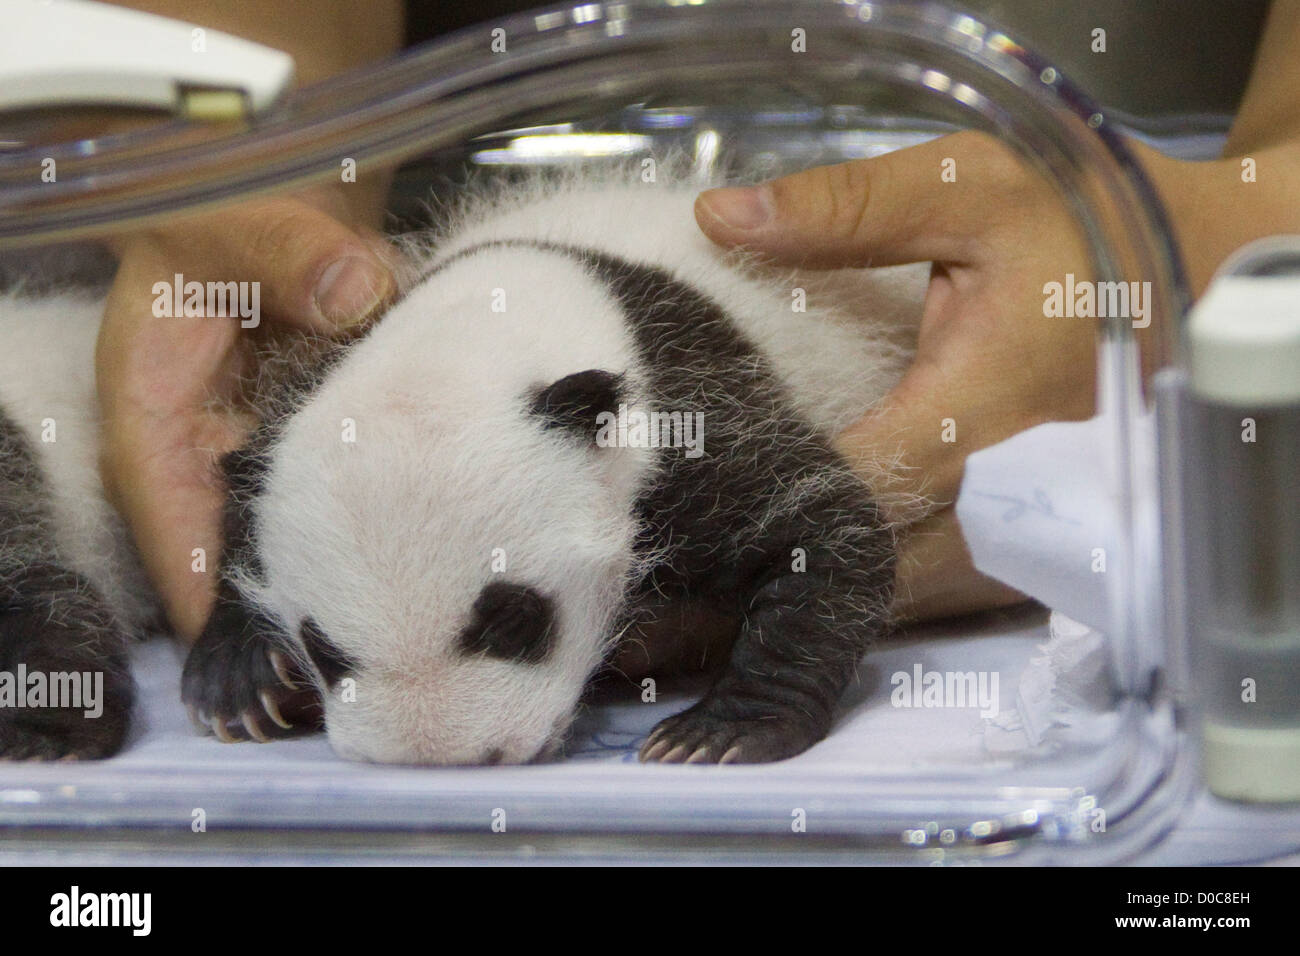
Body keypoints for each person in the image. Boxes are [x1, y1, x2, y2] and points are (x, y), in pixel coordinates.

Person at [96, 0, 1300, 642]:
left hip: (1121, 166)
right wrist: (242, 159)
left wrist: (1205, 246)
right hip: (442, 247)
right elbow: (247, 75)